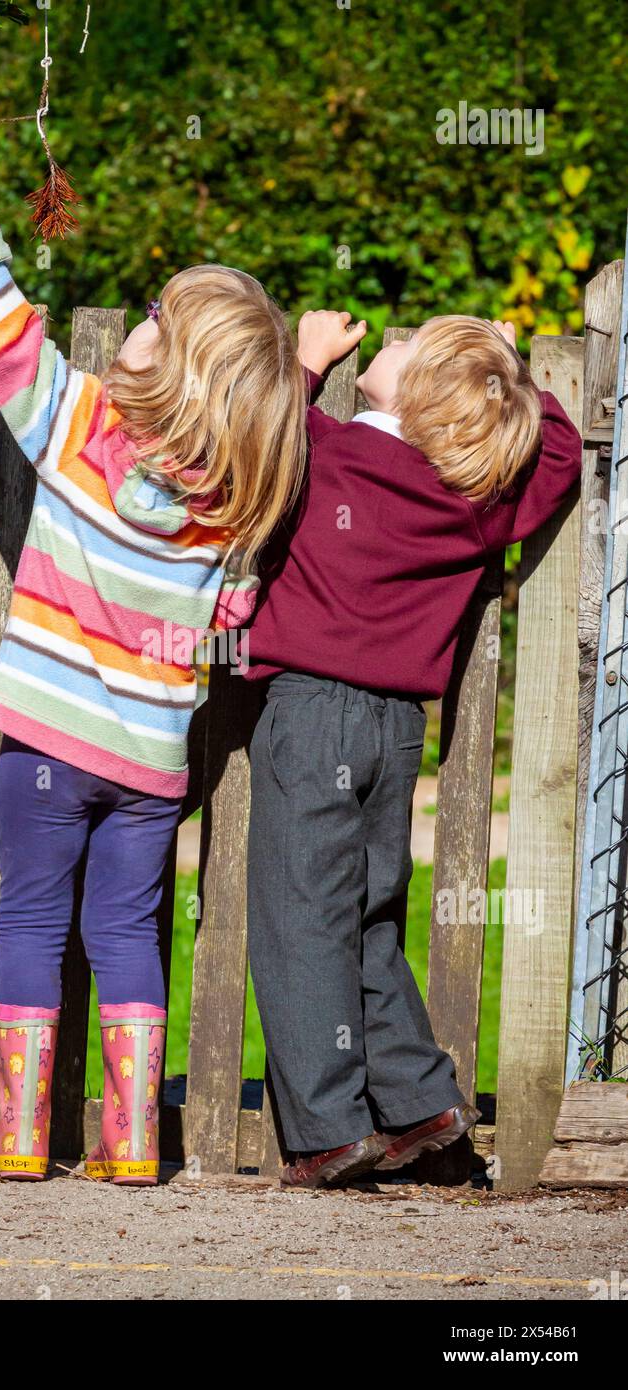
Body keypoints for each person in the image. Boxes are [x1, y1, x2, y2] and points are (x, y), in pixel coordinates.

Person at [0, 139, 315, 1183]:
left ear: (173, 368)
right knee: (128, 936)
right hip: (148, 771)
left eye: (154, 319)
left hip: (43, 742)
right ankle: (132, 1143)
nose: (137, 322)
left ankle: (17, 1133)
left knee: (32, 920)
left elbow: (1, 335)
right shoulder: (230, 512)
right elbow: (228, 626)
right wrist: (299, 377)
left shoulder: (80, 423)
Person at [244, 311, 582, 1187]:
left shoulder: (328, 453)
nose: (383, 342)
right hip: (395, 730)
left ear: (424, 386)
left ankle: (326, 1130)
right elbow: (562, 454)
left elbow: (258, 437)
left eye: (405, 343)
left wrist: (306, 362)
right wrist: (509, 366)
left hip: (313, 716)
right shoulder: (474, 496)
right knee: (365, 918)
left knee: (301, 922)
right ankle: (418, 1101)